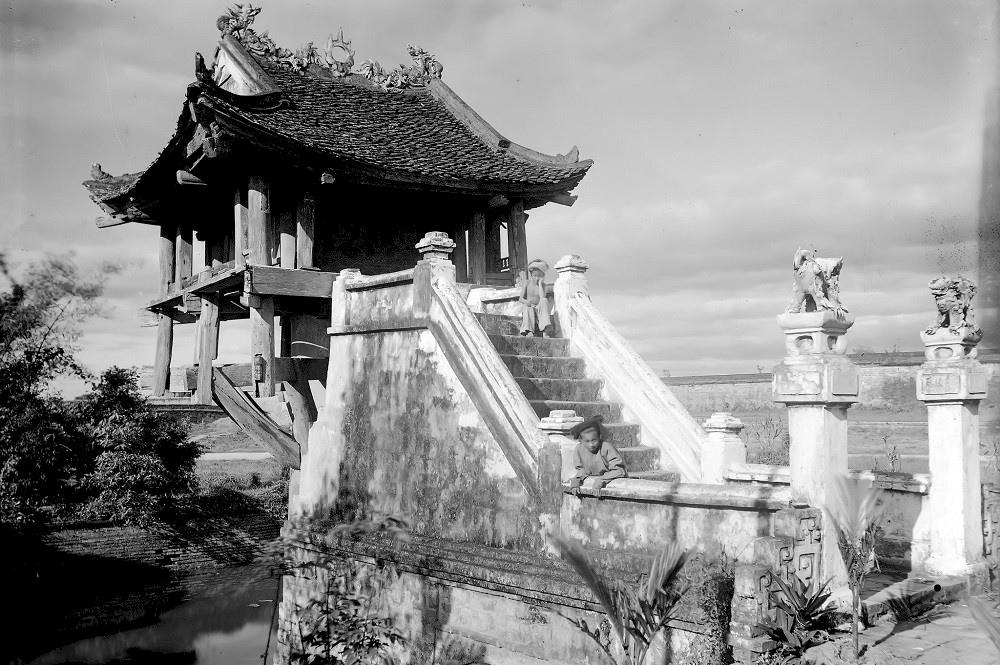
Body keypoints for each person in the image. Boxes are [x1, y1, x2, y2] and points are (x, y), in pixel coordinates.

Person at [568, 415, 626, 496]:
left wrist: (601, 480)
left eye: (594, 440)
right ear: (581, 440)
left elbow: (619, 471)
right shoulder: (579, 449)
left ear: (599, 437)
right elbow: (583, 469)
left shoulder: (606, 448)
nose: (591, 445)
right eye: (587, 441)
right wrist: (576, 480)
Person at [519, 259, 552, 337]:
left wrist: (540, 284)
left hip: (538, 308)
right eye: (535, 276)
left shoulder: (543, 286)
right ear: (531, 275)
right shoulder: (527, 283)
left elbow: (542, 298)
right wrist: (525, 301)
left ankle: (544, 330)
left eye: (539, 276)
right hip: (528, 306)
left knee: (544, 300)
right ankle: (528, 330)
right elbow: (520, 299)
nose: (537, 278)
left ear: (543, 276)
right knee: (527, 307)